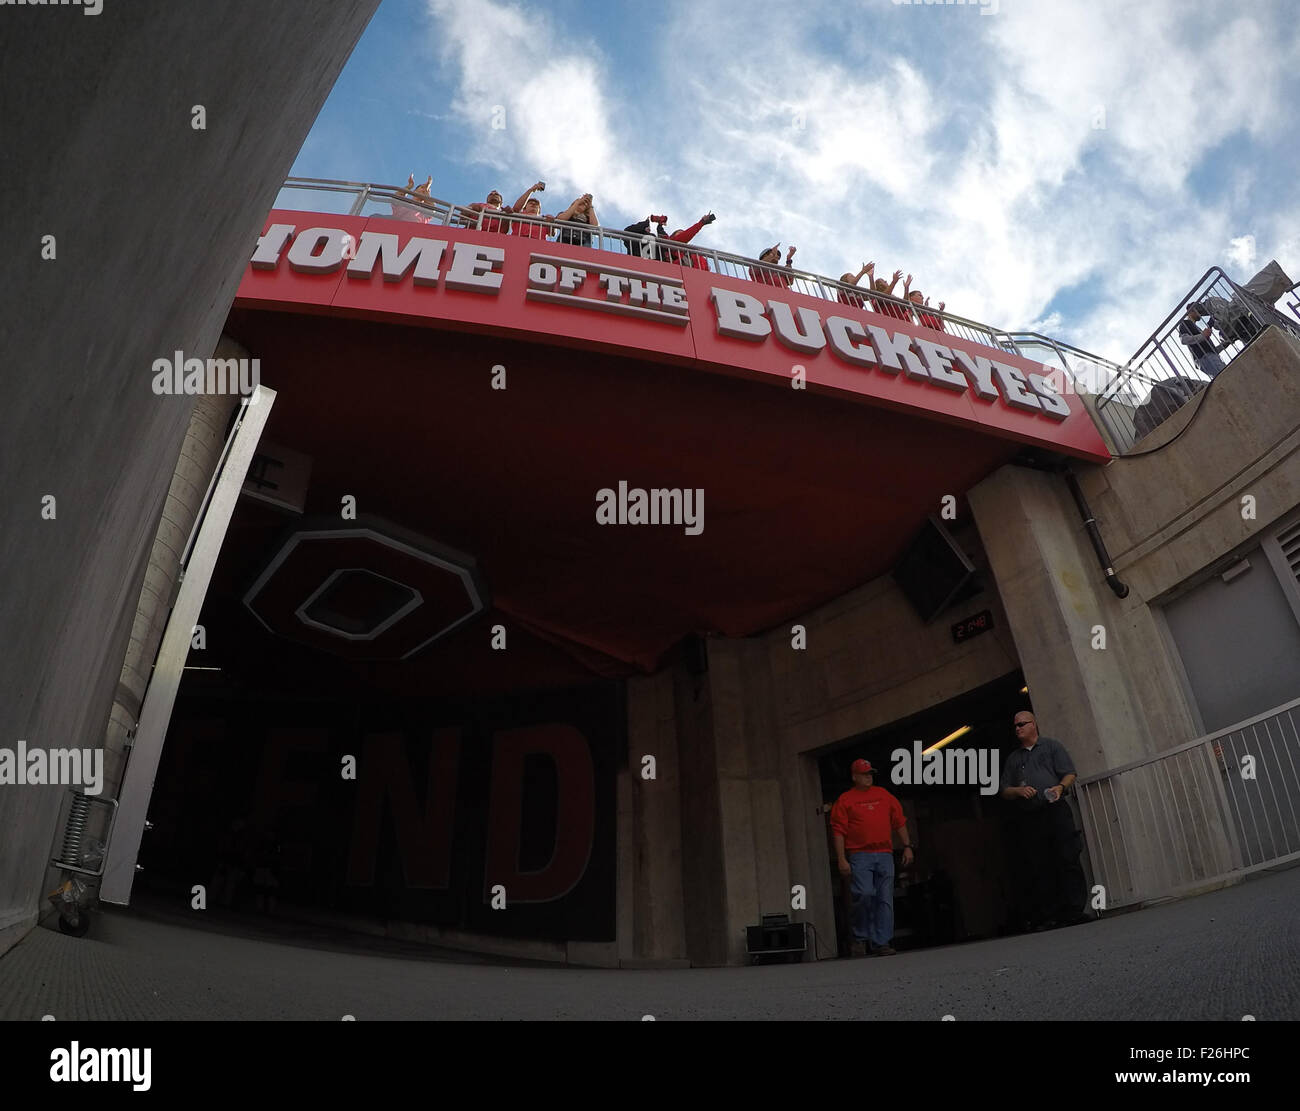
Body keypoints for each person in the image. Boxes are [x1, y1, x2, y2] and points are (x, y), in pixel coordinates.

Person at [1000, 711, 1089, 932]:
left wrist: (1060, 787)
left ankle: (1074, 910)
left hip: (1055, 810)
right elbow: (1004, 790)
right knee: (1040, 864)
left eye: (1022, 724)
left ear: (1034, 725)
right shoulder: (1014, 759)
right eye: (1015, 725)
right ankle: (1050, 915)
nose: (1018, 728)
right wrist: (1018, 791)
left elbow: (1069, 773)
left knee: (1067, 858)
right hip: (1031, 816)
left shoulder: (1051, 747)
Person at [830, 758, 915, 956]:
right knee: (865, 894)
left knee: (884, 898)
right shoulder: (845, 800)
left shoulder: (883, 795)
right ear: (854, 777)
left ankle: (881, 942)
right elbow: (838, 832)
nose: (868, 777)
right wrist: (841, 859)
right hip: (859, 855)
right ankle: (860, 938)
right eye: (864, 774)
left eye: (870, 774)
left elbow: (899, 821)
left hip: (884, 854)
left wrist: (907, 846)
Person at [1177, 304, 1223, 379]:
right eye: (1198, 311)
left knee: (1224, 377)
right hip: (1205, 358)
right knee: (1224, 377)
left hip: (1209, 357)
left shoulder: (1197, 328)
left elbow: (1209, 348)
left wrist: (1224, 344)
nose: (1200, 313)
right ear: (1190, 311)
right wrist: (1203, 335)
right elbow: (1184, 339)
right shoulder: (1185, 323)